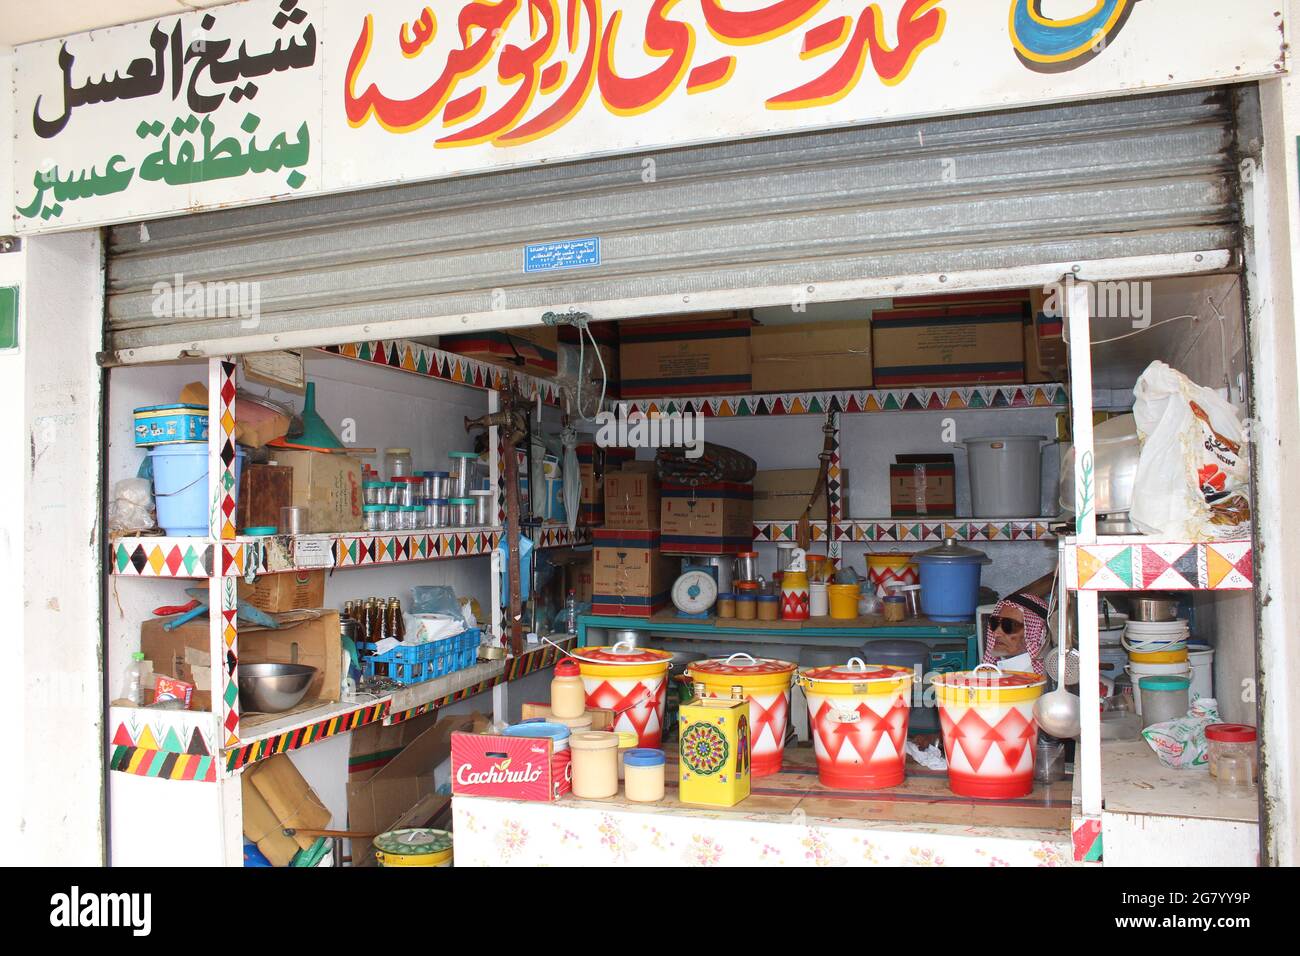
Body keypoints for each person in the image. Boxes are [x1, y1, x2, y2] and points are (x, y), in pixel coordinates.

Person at [982, 570, 1055, 676]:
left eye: (1008, 626)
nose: (996, 633)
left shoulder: (1035, 680)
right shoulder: (992, 673)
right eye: (995, 623)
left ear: (1036, 634)